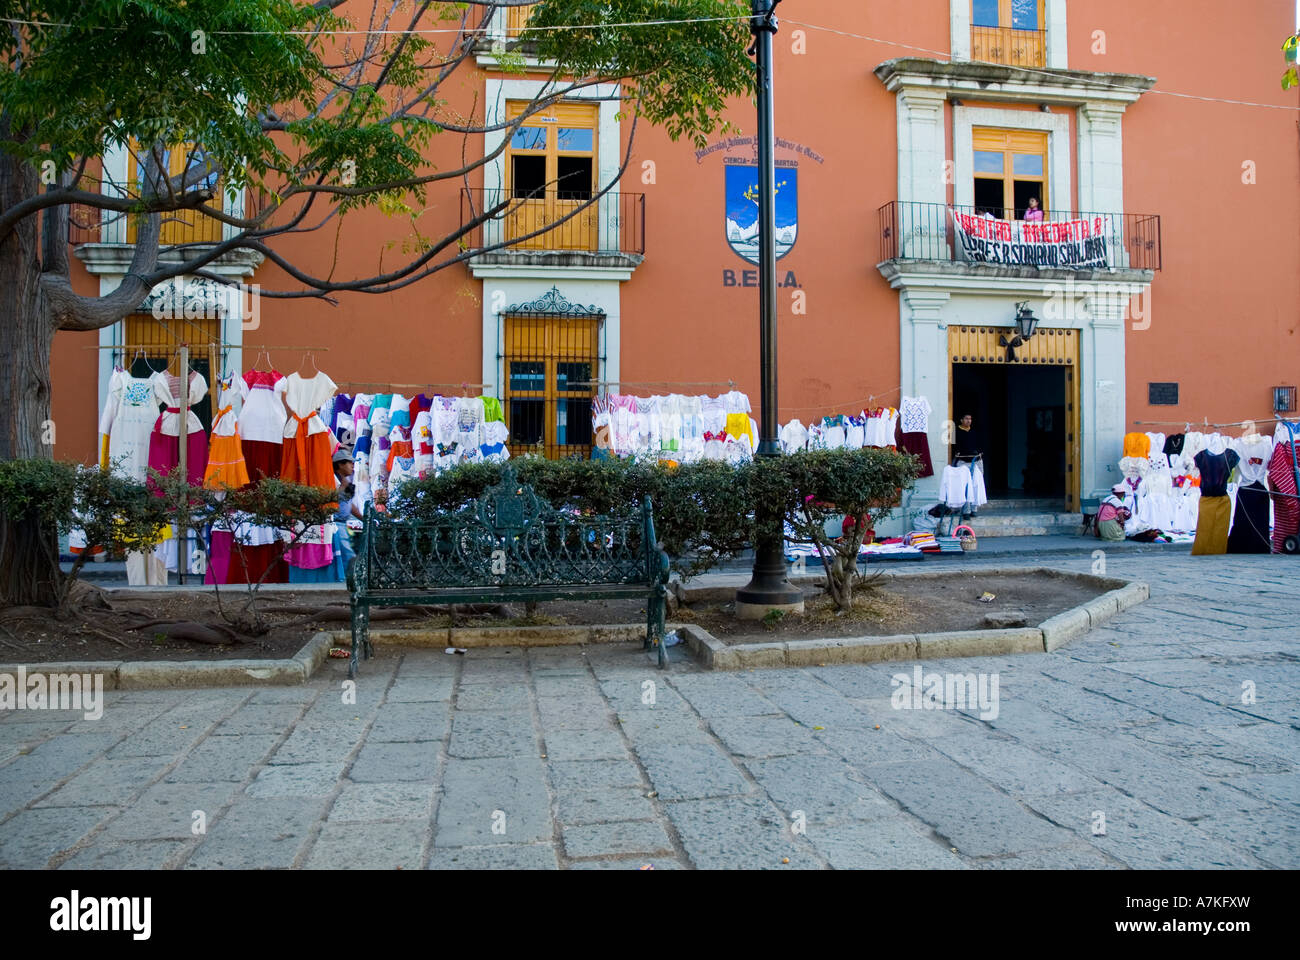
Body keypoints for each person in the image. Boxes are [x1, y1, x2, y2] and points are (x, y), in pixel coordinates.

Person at [332, 448, 362, 573]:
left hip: (344, 524)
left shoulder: (347, 480)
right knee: (348, 556)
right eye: (350, 463)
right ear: (340, 464)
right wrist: (342, 487)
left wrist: (363, 517)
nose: (352, 466)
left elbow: (349, 504)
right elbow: (331, 500)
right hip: (336, 525)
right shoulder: (334, 480)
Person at [951, 413, 986, 519]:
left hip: (976, 462)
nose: (969, 421)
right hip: (963, 462)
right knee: (965, 486)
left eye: (970, 419)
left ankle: (974, 509)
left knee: (976, 485)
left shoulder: (975, 432)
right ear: (961, 420)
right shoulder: (956, 432)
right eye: (966, 418)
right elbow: (953, 446)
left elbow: (981, 445)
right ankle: (966, 511)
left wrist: (980, 453)